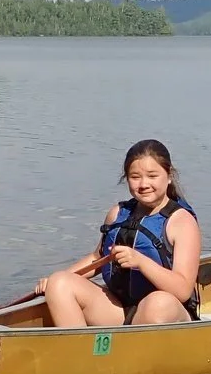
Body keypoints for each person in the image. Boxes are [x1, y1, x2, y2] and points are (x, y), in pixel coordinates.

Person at [40, 139, 202, 327]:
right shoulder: (117, 213)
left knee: (158, 303)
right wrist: (51, 281)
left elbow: (182, 289)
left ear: (169, 175)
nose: (143, 184)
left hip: (166, 311)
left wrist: (140, 262)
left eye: (152, 176)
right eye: (135, 177)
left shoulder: (181, 221)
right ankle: (81, 352)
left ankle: (130, 352)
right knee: (59, 282)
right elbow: (98, 258)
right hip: (120, 309)